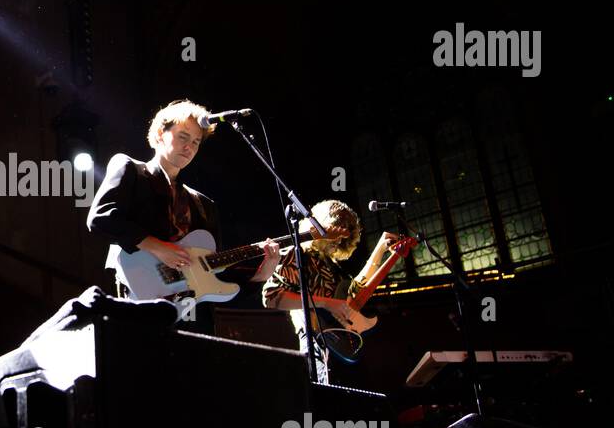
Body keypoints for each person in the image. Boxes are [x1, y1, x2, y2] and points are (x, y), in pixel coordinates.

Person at [86, 99, 281, 326]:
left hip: (194, 319)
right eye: (183, 137)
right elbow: (101, 217)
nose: (189, 147)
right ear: (160, 134)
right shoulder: (131, 168)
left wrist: (261, 274)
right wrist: (159, 248)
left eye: (196, 142)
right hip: (142, 308)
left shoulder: (204, 204)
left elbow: (213, 275)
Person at [261, 199, 399, 378]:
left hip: (345, 342)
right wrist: (325, 303)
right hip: (317, 342)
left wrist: (380, 250)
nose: (339, 240)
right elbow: (270, 297)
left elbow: (354, 292)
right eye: (337, 233)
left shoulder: (329, 262)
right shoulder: (295, 254)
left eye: (344, 236)